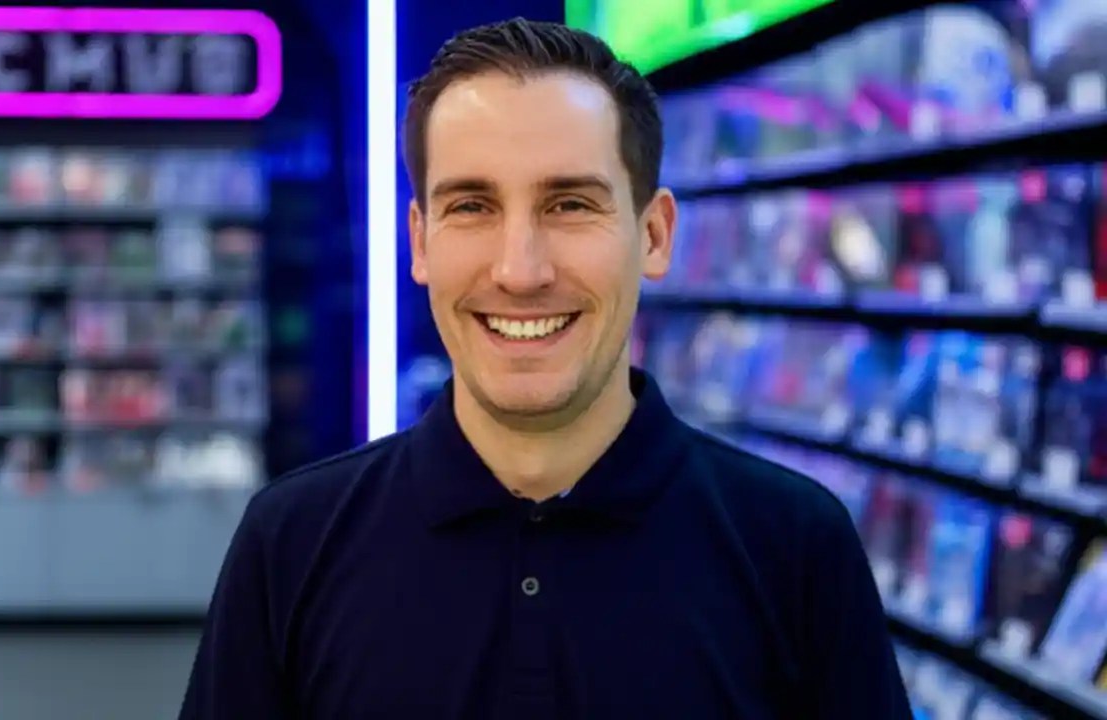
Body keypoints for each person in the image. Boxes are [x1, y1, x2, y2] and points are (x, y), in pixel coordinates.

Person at [180, 17, 914, 720]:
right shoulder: (289, 545)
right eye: (472, 206)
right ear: (421, 243)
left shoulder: (797, 549)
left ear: (654, 235)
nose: (520, 271)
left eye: (569, 204)